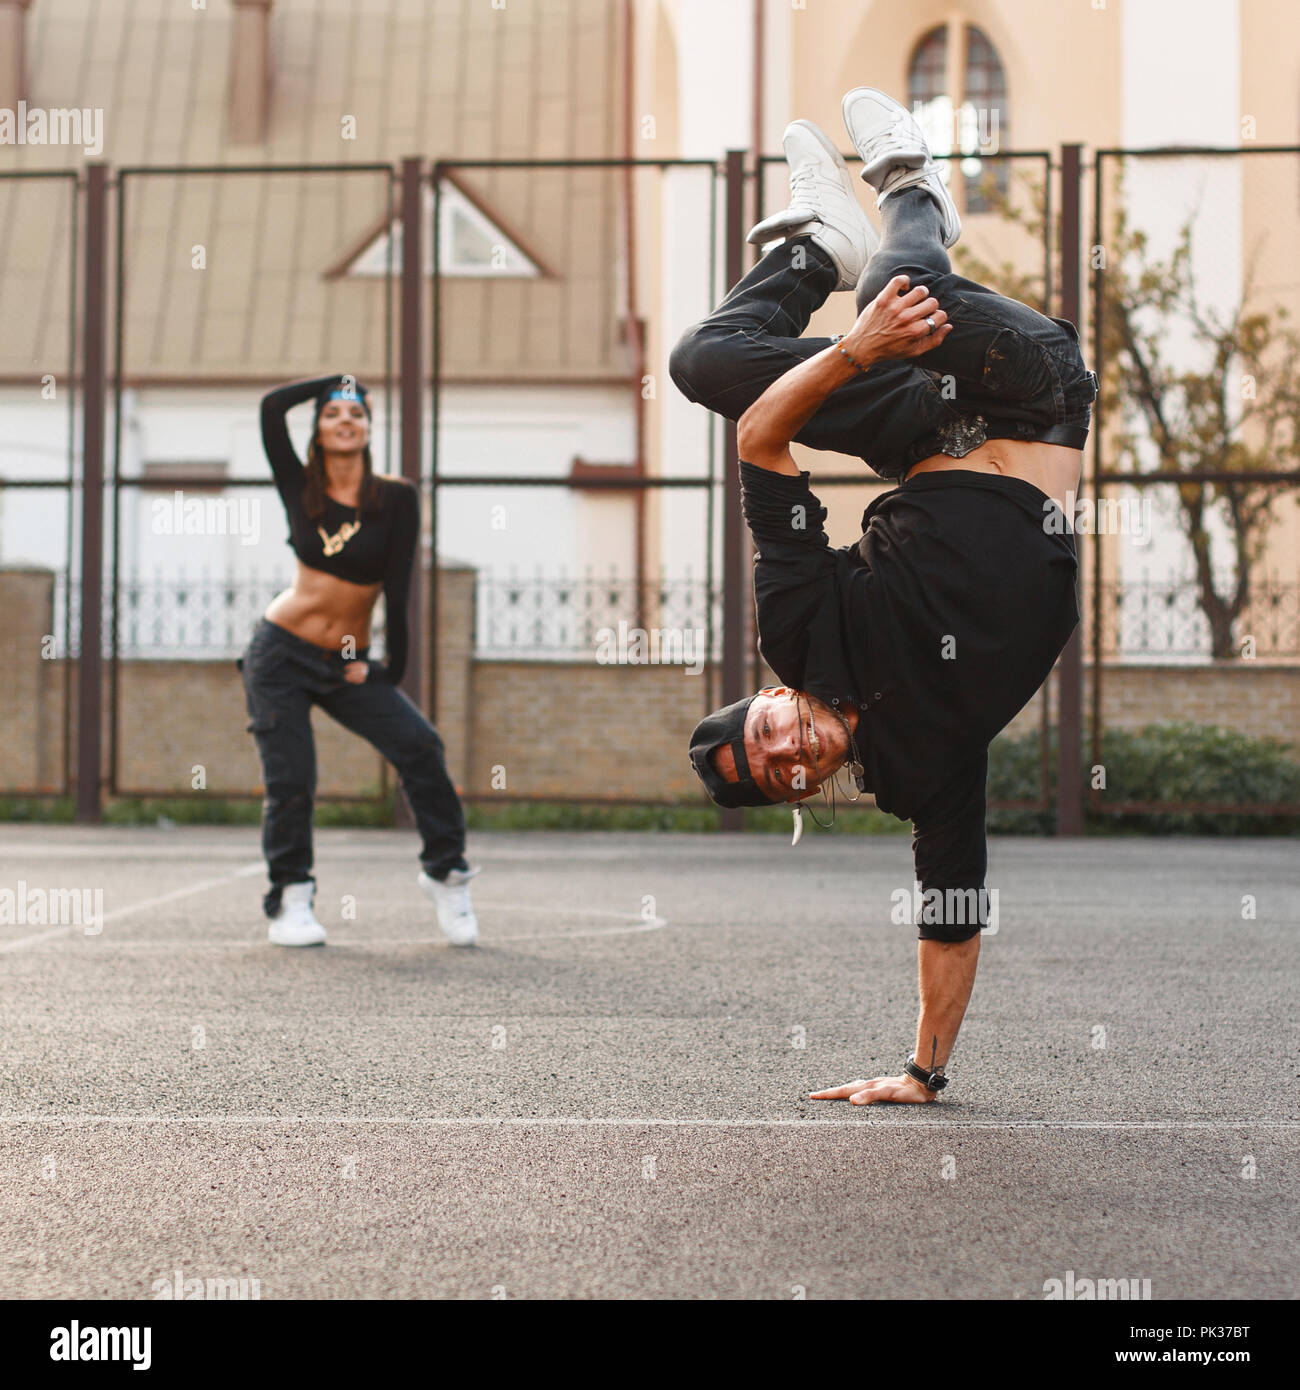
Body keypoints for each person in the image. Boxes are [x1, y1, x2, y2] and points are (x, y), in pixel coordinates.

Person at [669, 90, 1097, 1104]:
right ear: (803, 795)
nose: (787, 750)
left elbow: (759, 442)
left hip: (917, 424)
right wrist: (922, 1070)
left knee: (704, 362)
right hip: (1031, 395)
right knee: (905, 281)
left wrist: (853, 352)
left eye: (766, 731)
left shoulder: (797, 627)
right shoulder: (921, 767)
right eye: (779, 776)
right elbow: (949, 908)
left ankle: (813, 250)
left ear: (768, 696)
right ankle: (909, 187)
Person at [237, 373, 480, 948]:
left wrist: (387, 668)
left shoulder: (395, 498)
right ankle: (291, 896)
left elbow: (397, 589)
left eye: (357, 413)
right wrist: (337, 379)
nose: (346, 420)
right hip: (280, 654)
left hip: (347, 659)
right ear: (318, 431)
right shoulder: (299, 487)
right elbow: (272, 407)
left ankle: (446, 874)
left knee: (420, 746)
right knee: (292, 779)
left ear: (369, 429)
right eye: (333, 414)